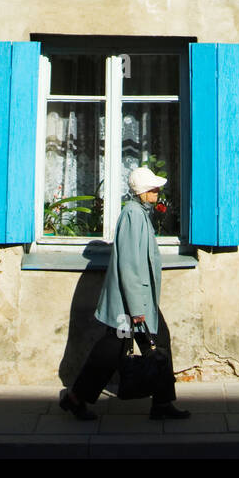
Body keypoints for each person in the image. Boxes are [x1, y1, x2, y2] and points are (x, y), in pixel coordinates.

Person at [59, 164, 190, 421]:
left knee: (141, 344)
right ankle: (77, 398)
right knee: (117, 349)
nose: (157, 191)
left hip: (134, 302)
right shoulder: (132, 215)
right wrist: (137, 309)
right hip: (130, 306)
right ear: (142, 192)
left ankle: (161, 403)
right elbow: (129, 264)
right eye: (152, 188)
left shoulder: (139, 213)